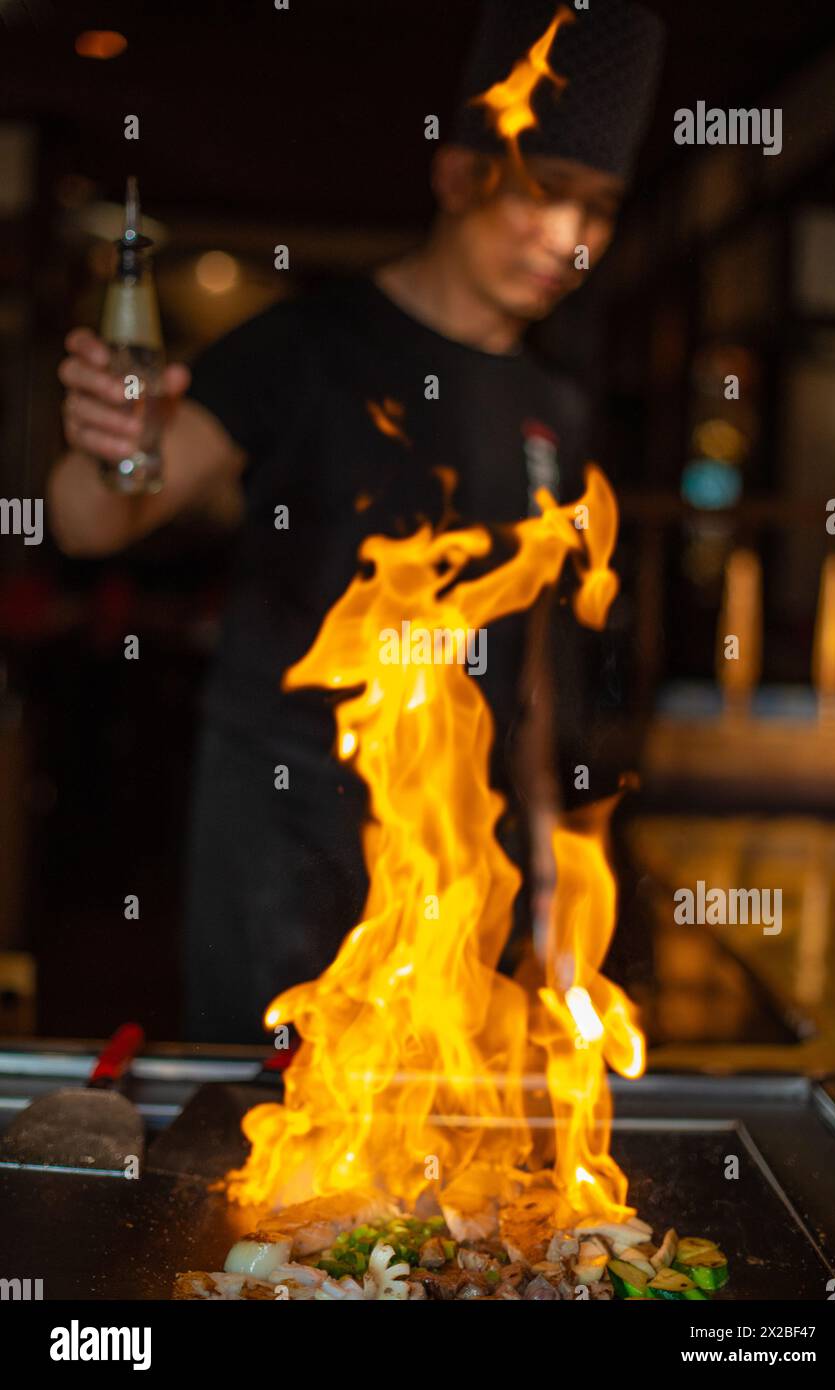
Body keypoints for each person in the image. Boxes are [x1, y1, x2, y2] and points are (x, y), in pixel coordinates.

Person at [49, 0, 664, 1042]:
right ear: (458, 174)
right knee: (270, 1147)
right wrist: (115, 446)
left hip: (457, 844)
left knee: (431, 1161)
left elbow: (529, 658)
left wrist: (550, 841)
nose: (567, 238)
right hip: (285, 827)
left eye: (596, 210)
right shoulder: (305, 347)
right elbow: (91, 521)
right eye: (542, 195)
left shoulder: (552, 407)